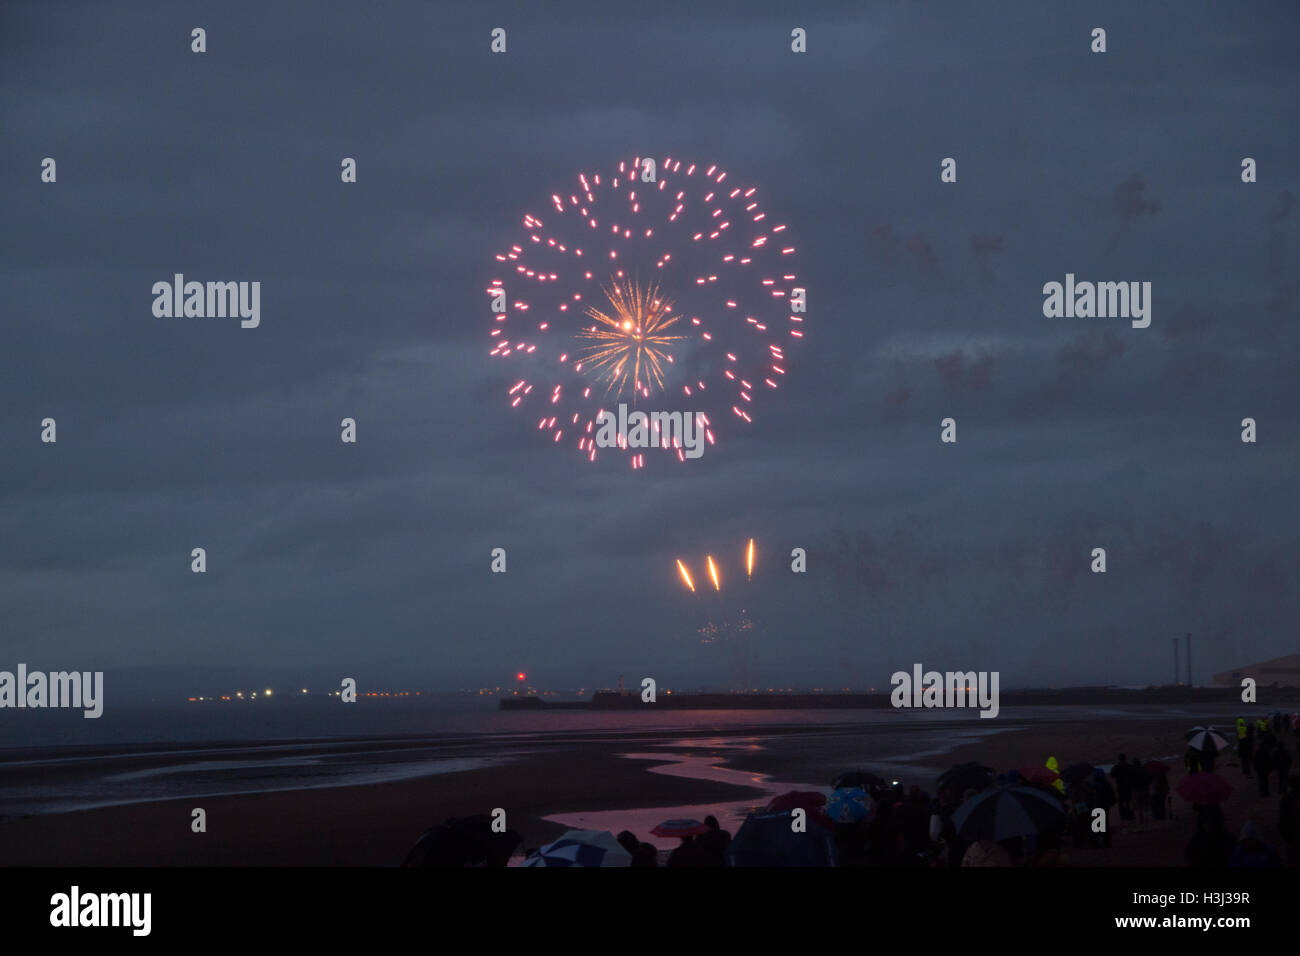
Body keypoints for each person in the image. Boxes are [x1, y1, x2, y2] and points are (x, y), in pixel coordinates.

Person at [1111, 755, 1134, 822]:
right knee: (1128, 801)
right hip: (1128, 787)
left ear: (1119, 759)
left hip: (1120, 787)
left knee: (1121, 802)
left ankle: (1123, 816)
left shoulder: (1116, 767)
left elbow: (1112, 775)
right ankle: (1130, 815)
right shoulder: (1129, 766)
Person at [1130, 759, 1151, 826]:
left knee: (1137, 807)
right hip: (1145, 790)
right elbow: (1149, 779)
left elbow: (1129, 781)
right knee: (1145, 806)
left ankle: (1139, 822)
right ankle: (1146, 821)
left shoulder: (1132, 771)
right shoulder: (1144, 770)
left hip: (1136, 791)